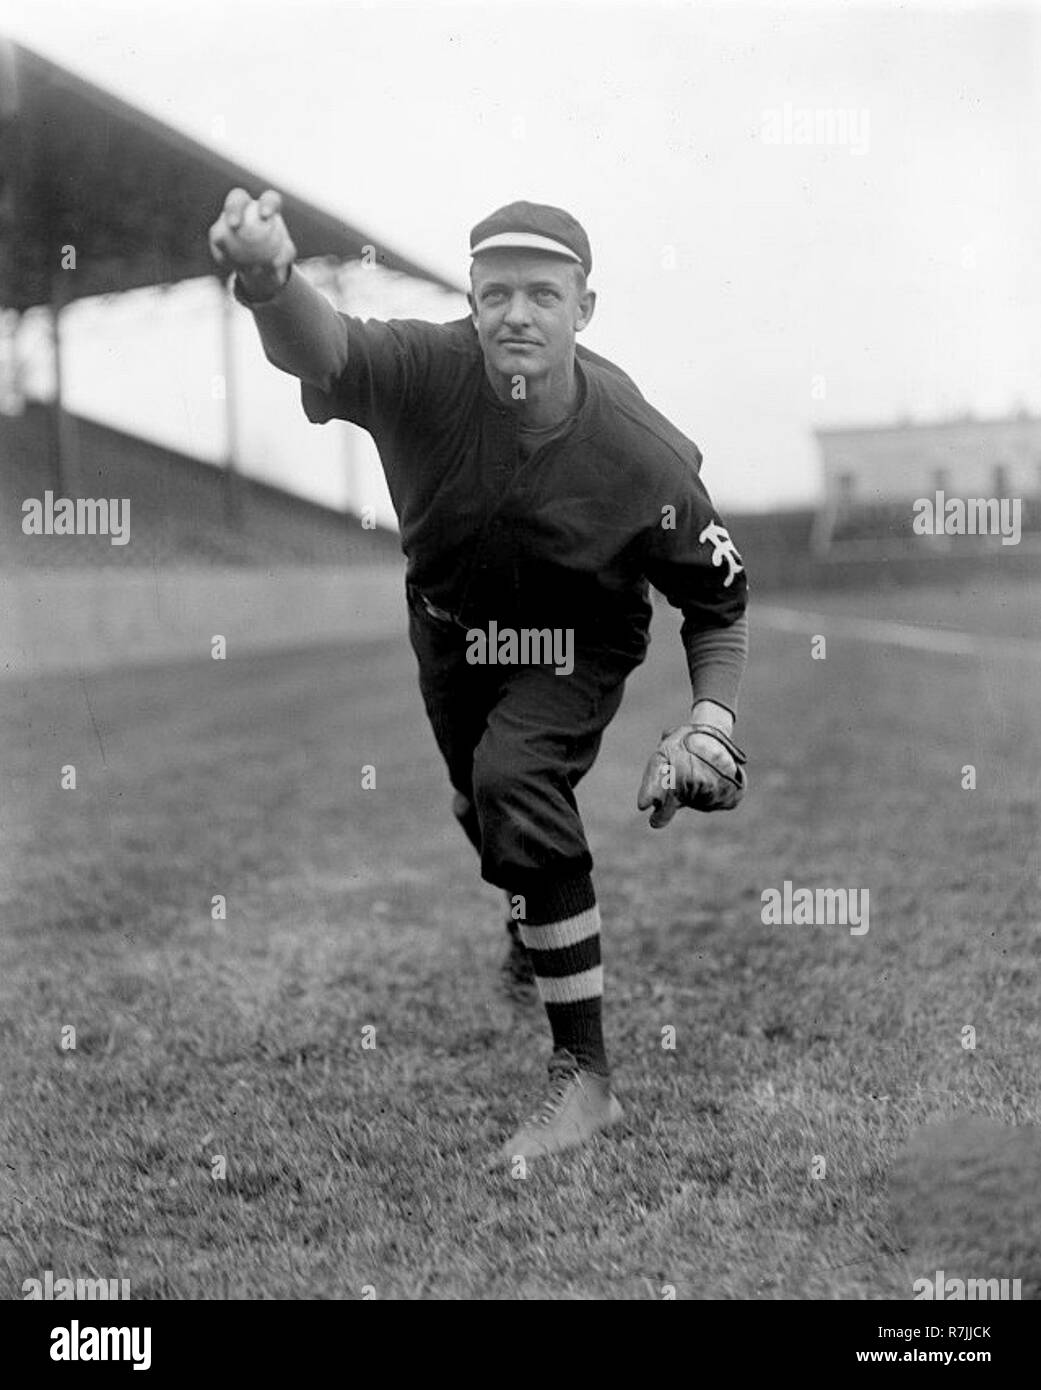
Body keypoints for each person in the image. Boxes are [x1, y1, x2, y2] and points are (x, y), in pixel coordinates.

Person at [209, 192, 750, 1164]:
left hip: (574, 640)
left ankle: (584, 1076)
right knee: (478, 800)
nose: (516, 314)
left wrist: (710, 716)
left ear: (584, 310)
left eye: (544, 293)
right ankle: (528, 917)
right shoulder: (427, 370)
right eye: (495, 291)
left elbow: (716, 599)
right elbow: (324, 348)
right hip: (452, 634)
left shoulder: (640, 450)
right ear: (469, 297)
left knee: (514, 776)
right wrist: (269, 280)